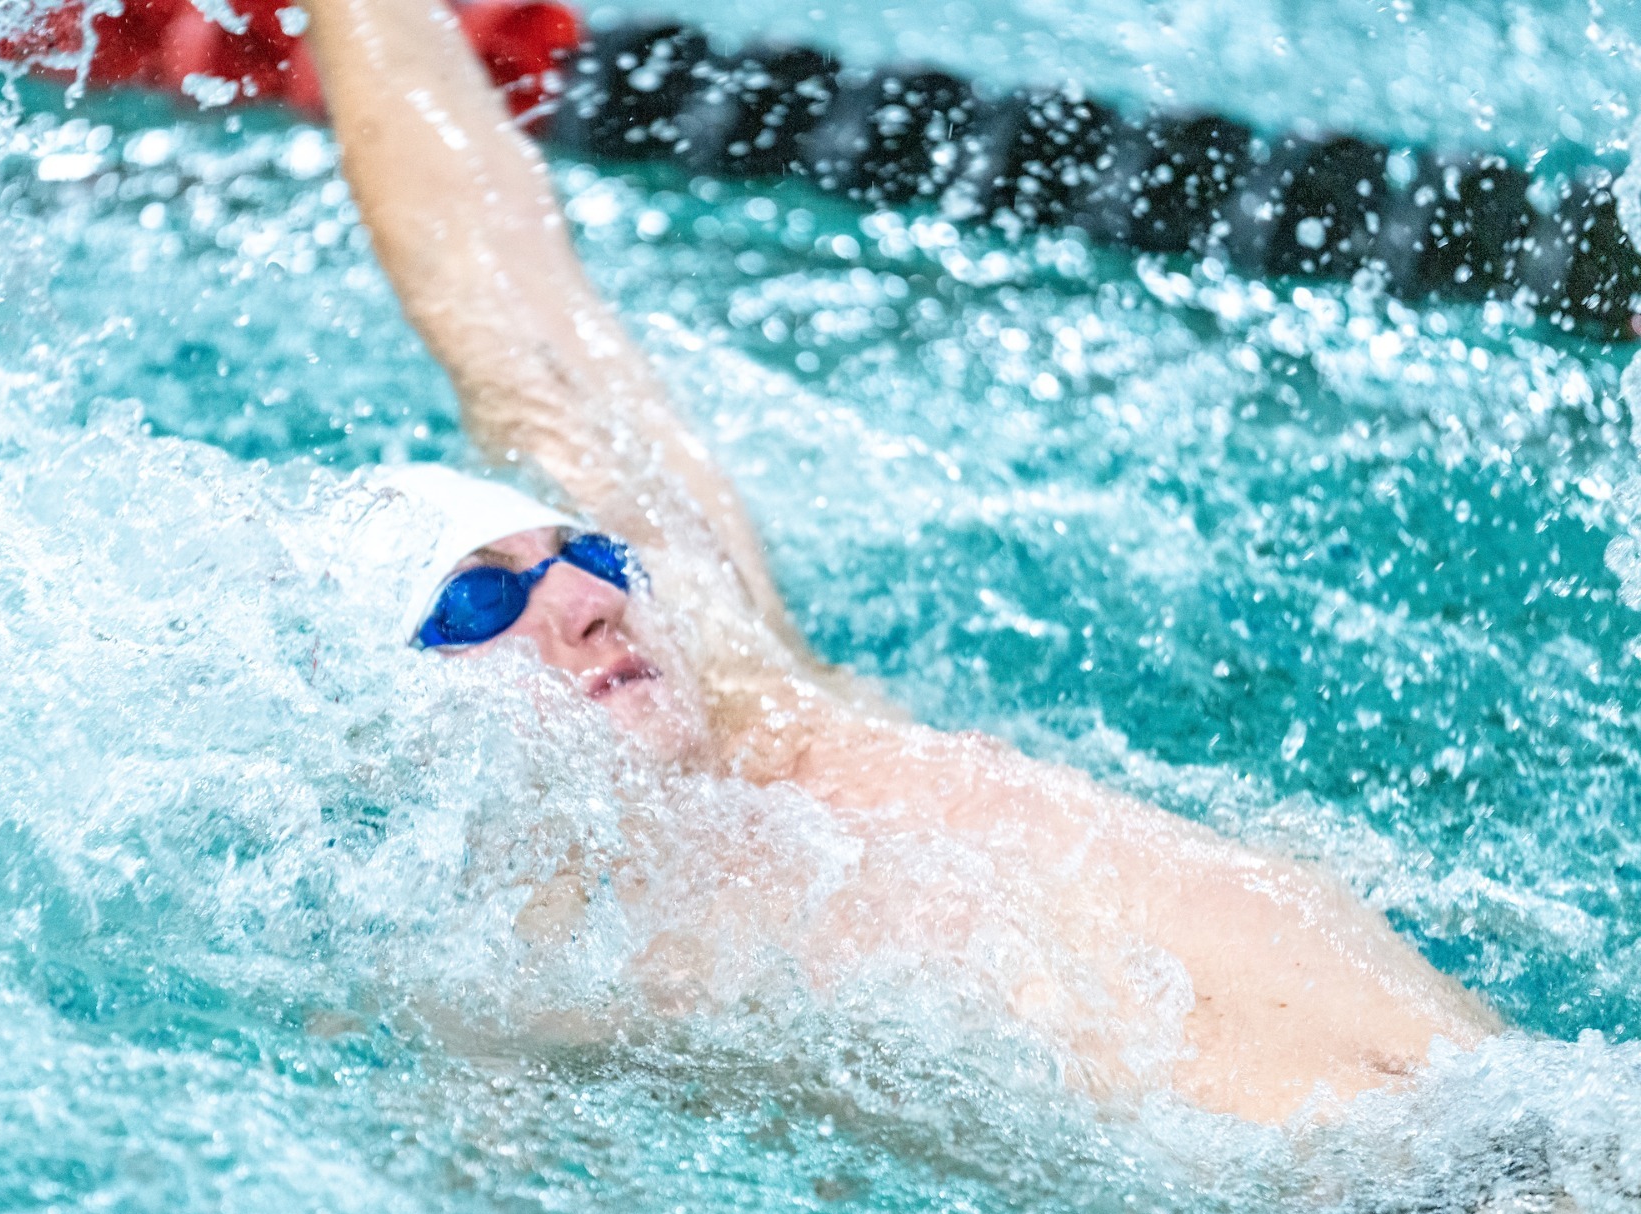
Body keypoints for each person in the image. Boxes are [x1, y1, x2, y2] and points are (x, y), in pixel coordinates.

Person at [295, 0, 1503, 1124]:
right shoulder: (522, 972)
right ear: (407, 713)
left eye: (583, 551)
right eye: (479, 593)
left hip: (1530, 1097)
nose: (583, 599)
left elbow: (505, 294)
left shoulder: (753, 692)